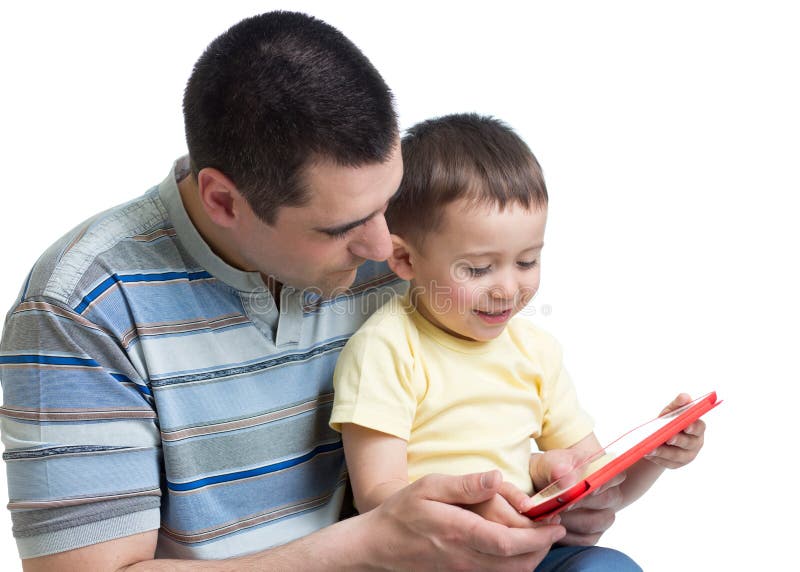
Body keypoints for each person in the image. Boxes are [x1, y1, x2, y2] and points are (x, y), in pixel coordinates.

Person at [0, 11, 626, 572]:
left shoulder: (406, 254)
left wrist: (551, 496)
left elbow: (489, 404)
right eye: (344, 228)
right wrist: (369, 543)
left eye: (388, 203)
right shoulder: (81, 307)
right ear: (224, 201)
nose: (384, 249)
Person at [330, 113, 708, 571]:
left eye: (527, 261)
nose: (507, 289)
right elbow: (376, 497)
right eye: (478, 269)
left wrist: (655, 456)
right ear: (405, 258)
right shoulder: (387, 348)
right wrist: (468, 521)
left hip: (530, 554)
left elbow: (601, 489)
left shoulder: (534, 351)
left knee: (609, 566)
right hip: (429, 558)